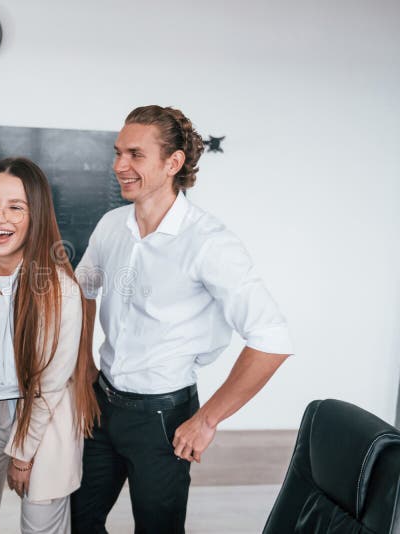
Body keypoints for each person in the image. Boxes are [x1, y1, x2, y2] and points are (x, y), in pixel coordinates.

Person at [70, 105, 293, 533]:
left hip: (163, 418)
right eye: (118, 153)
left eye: (135, 154)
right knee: (79, 519)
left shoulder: (210, 242)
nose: (119, 165)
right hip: (102, 404)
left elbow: (271, 338)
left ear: (173, 163)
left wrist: (207, 419)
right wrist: (83, 366)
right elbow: (84, 290)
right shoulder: (111, 224)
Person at [0, 157, 99, 534]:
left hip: (42, 420)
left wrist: (22, 453)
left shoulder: (59, 289)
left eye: (16, 207)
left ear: (37, 215)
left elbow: (49, 384)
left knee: (40, 524)